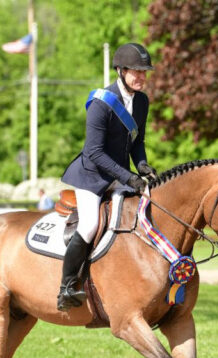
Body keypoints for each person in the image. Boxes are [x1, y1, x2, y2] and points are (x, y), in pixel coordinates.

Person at [57, 42, 158, 312]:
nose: (141, 77)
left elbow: (138, 141)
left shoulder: (142, 101)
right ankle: (66, 287)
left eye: (144, 72)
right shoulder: (102, 103)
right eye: (136, 71)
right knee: (90, 224)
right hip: (92, 175)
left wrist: (143, 165)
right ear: (120, 70)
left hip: (120, 174)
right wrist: (129, 177)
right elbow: (94, 152)